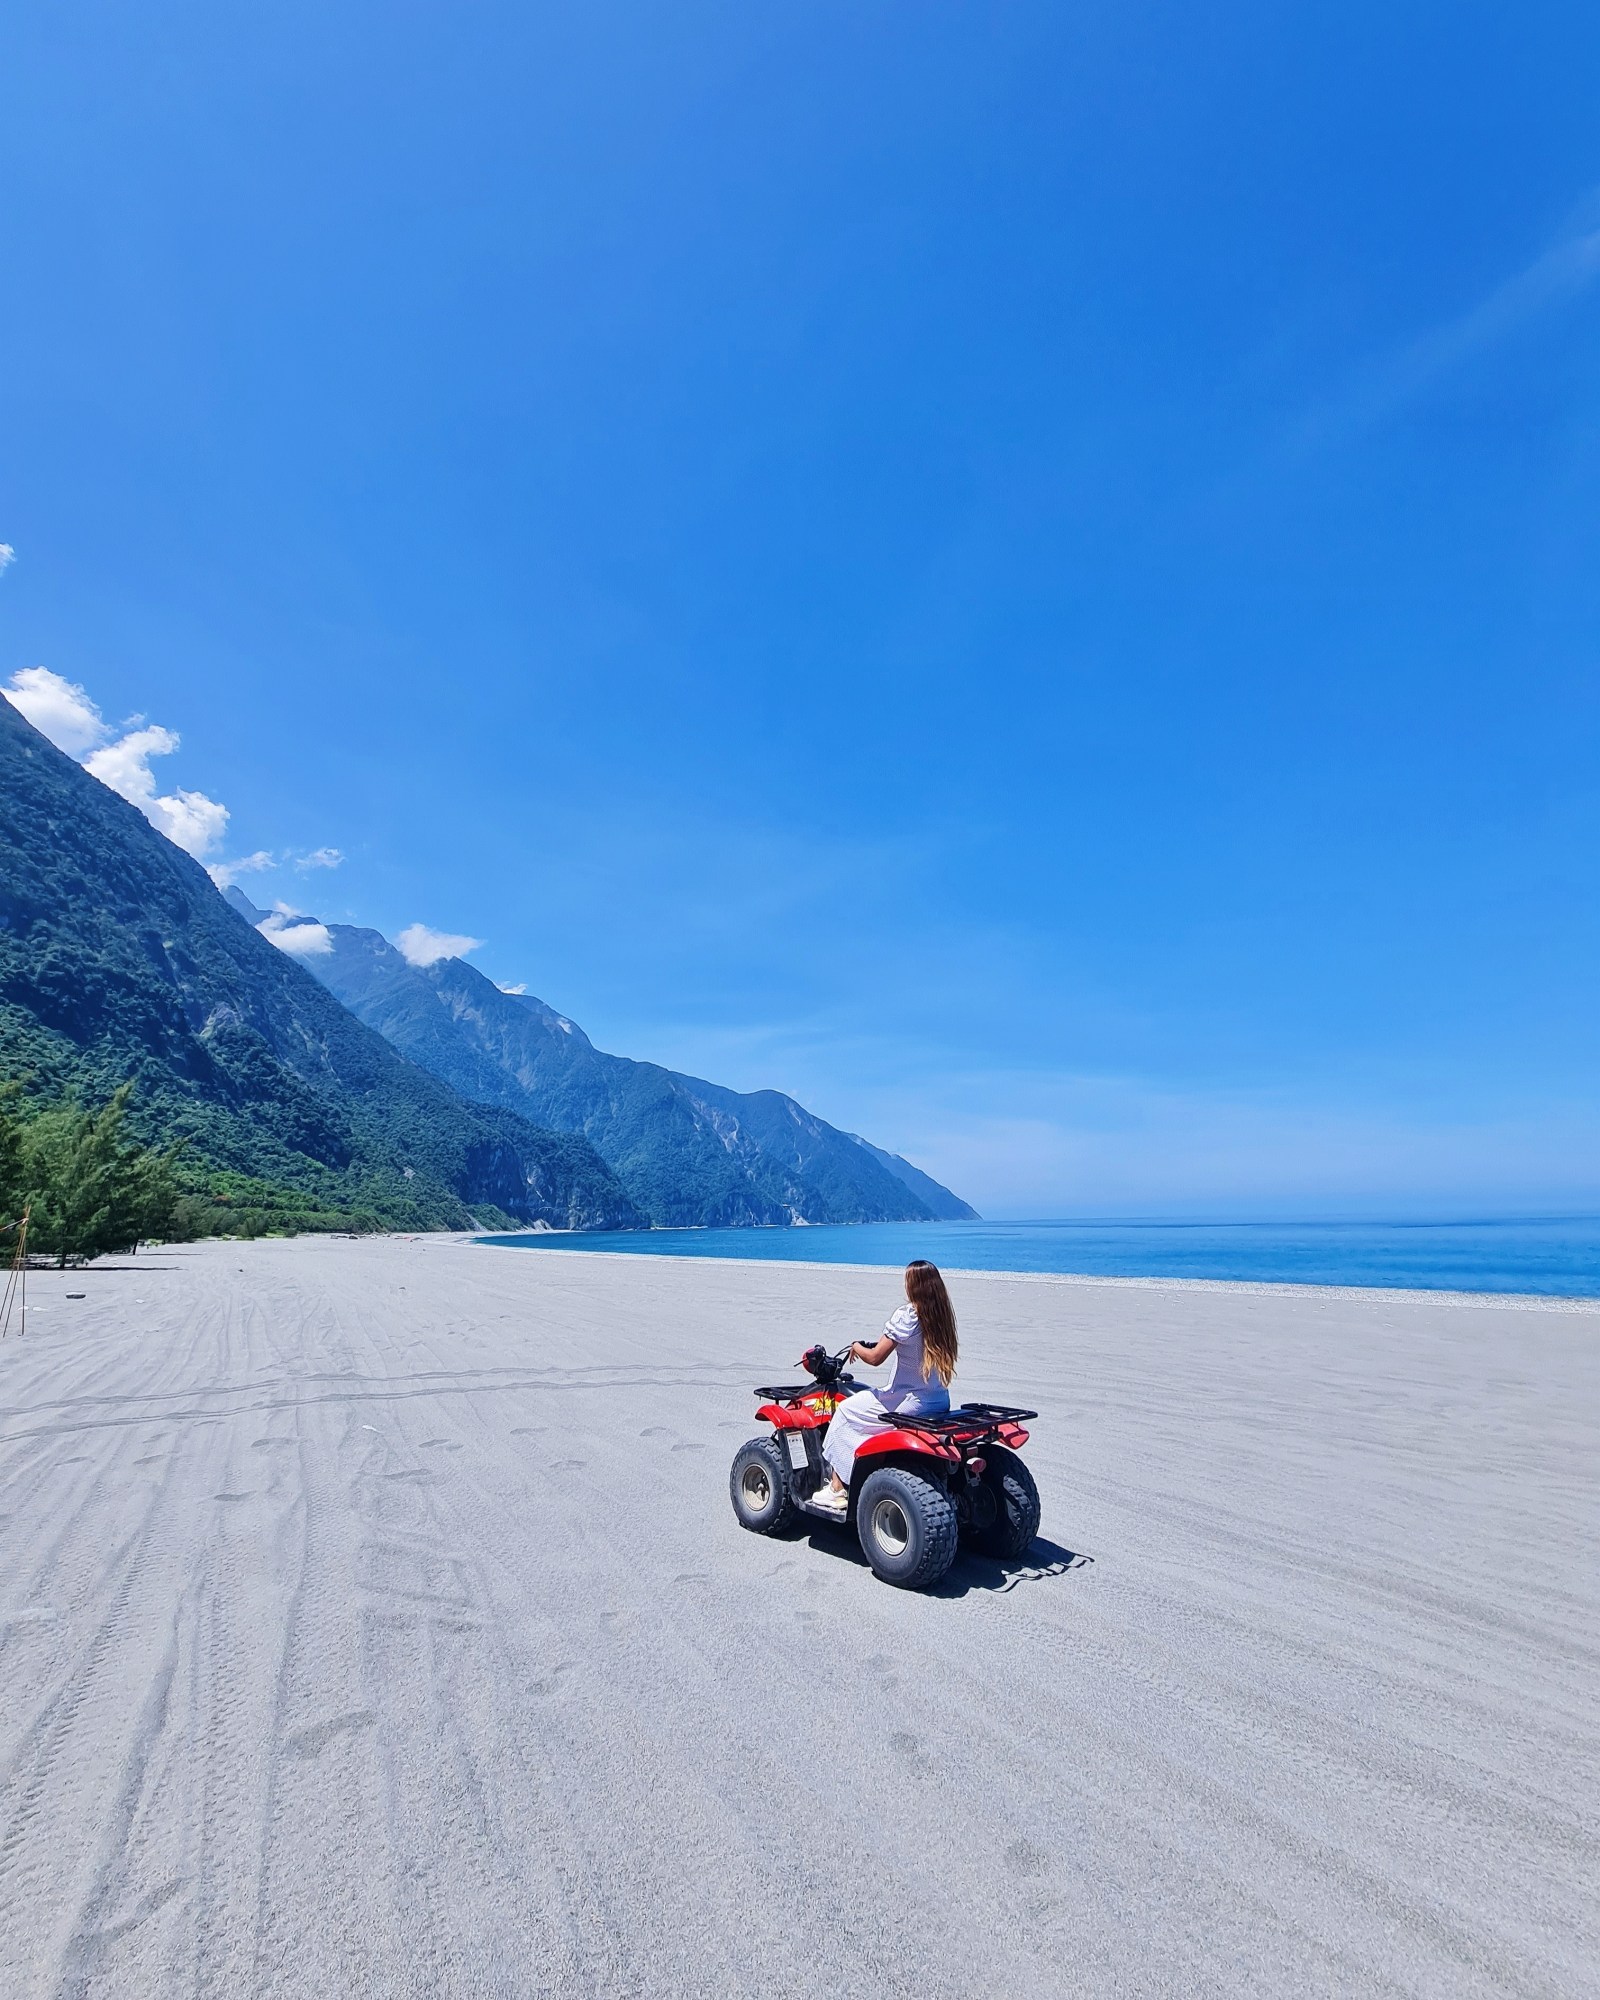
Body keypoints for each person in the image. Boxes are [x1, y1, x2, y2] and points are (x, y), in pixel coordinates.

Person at [812, 1259, 959, 1514]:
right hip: (938, 1400)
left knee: (846, 1412)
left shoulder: (908, 1315)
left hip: (909, 1402)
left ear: (913, 1285)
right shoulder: (942, 1317)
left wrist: (856, 1346)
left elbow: (876, 1357)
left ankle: (837, 1488)